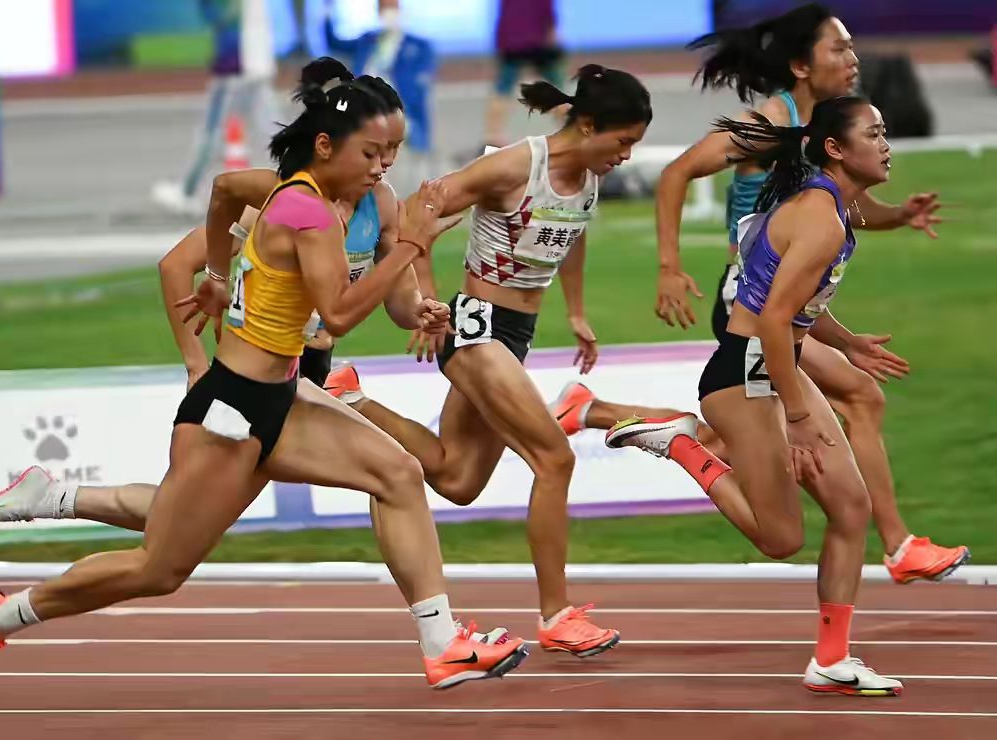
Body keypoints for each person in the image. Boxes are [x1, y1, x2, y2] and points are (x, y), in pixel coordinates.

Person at [0, 71, 528, 689]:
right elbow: (339, 313)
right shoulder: (304, 209)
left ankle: (444, 644)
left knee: (400, 474)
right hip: (231, 412)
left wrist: (219, 276)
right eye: (371, 153)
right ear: (325, 146)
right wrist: (412, 245)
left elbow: (223, 197)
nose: (384, 167)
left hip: (284, 396)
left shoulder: (337, 203)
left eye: (392, 154)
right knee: (158, 569)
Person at [321, 65, 652, 657]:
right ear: (590, 125)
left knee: (458, 479)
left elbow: (571, 237)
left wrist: (575, 312)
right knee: (553, 459)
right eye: (623, 141)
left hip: (515, 334)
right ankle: (557, 614)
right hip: (477, 329)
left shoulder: (589, 179)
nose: (628, 156)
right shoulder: (515, 165)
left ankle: (350, 398)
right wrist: (426, 298)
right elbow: (427, 206)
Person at [640, 4, 966, 583]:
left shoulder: (831, 137)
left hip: (778, 304)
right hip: (746, 299)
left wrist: (897, 216)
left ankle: (618, 419)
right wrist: (669, 266)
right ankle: (895, 544)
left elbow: (848, 208)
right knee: (853, 397)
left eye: (852, 47)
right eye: (838, 49)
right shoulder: (770, 123)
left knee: (854, 398)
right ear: (800, 65)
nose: (853, 59)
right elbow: (675, 174)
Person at [619, 96, 906, 694]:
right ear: (835, 148)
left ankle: (831, 658)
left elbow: (792, 309)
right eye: (874, 134)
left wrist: (847, 343)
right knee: (780, 538)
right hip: (746, 376)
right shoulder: (821, 217)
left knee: (852, 509)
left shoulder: (828, 210)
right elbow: (775, 321)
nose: (886, 144)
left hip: (776, 367)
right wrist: (798, 418)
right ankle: (682, 444)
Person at [152, 0, 279, 215]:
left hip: (237, 61)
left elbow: (221, 14)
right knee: (269, 127)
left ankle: (187, 191)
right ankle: (305, 185)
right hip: (251, 57)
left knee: (214, 129)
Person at [324, 0, 436, 195]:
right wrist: (327, 12)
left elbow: (421, 83)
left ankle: (419, 198)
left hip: (401, 109)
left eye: (392, 8)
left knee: (413, 158)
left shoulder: (417, 45)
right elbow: (335, 42)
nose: (388, 13)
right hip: (366, 108)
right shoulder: (367, 41)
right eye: (384, 8)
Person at [484, 0, 566, 148]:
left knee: (503, 89)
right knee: (557, 88)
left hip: (511, 40)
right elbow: (548, 12)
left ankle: (492, 136)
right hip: (539, 40)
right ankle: (570, 130)